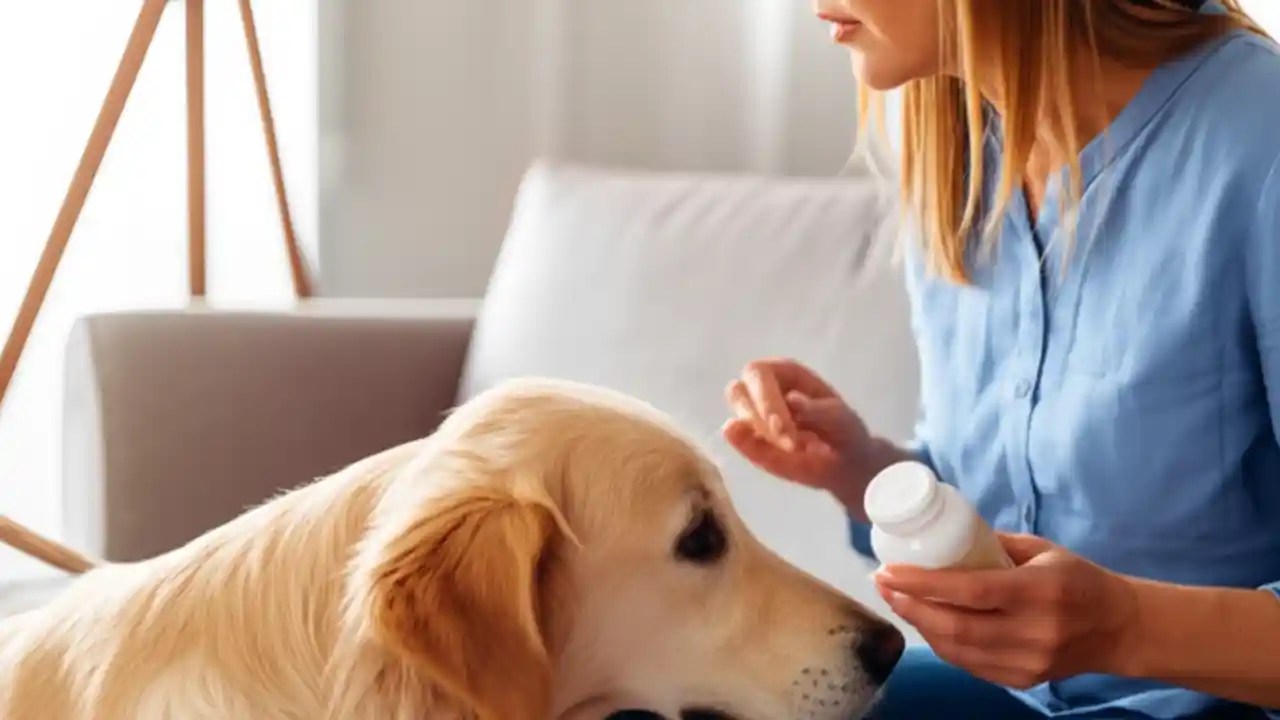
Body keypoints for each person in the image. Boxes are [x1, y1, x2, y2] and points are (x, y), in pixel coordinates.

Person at [722, 1, 1280, 718]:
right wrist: (862, 469)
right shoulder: (947, 140)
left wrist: (1125, 626)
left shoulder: (1258, 142)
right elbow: (1010, 509)